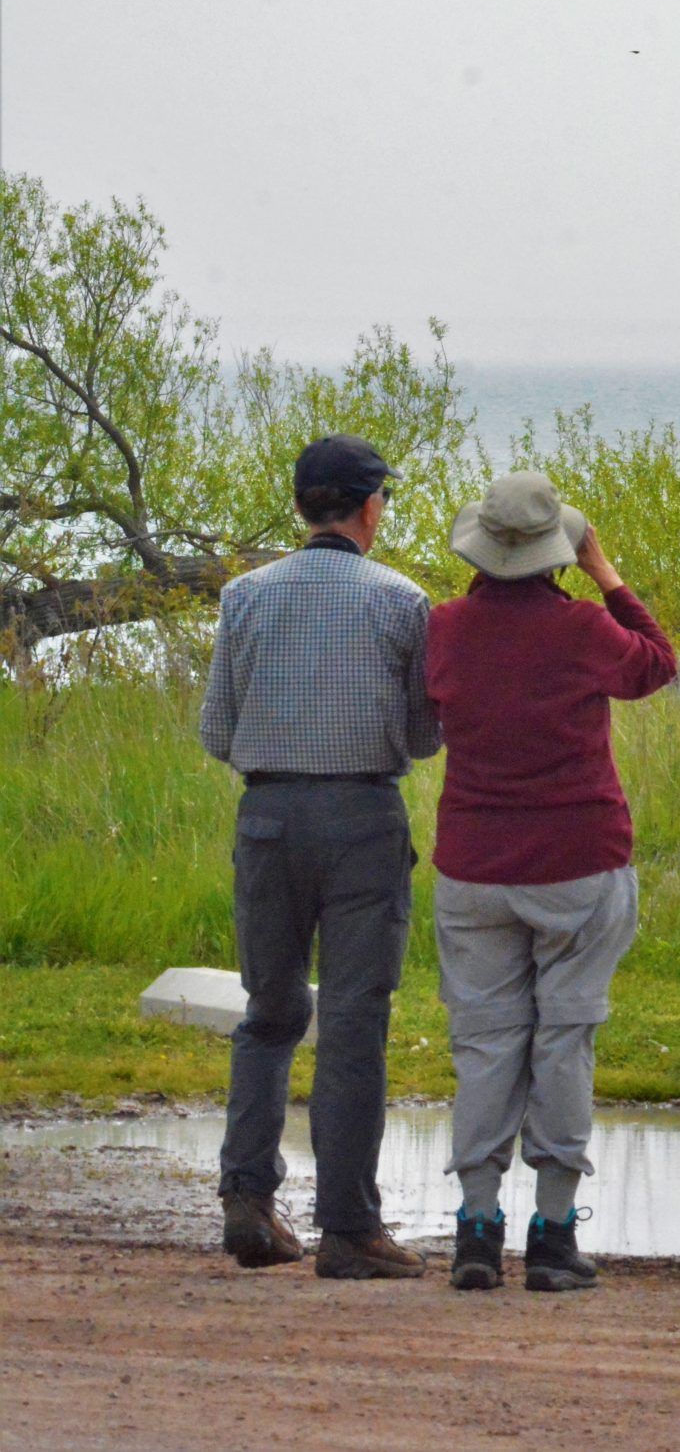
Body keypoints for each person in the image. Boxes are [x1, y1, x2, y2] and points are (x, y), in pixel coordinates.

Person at [427, 470, 676, 1291]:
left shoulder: (445, 629)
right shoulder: (580, 629)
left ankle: (475, 1224)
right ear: (557, 553)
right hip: (577, 859)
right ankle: (554, 1231)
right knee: (564, 1037)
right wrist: (608, 574)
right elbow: (656, 665)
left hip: (473, 864)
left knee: (485, 1040)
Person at [201, 433, 440, 1280]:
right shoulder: (403, 601)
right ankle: (348, 1226)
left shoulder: (245, 596)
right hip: (364, 822)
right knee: (352, 1023)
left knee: (268, 1011)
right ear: (370, 506)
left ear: (303, 504)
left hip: (266, 816)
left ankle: (248, 1197)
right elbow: (420, 734)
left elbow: (217, 731)